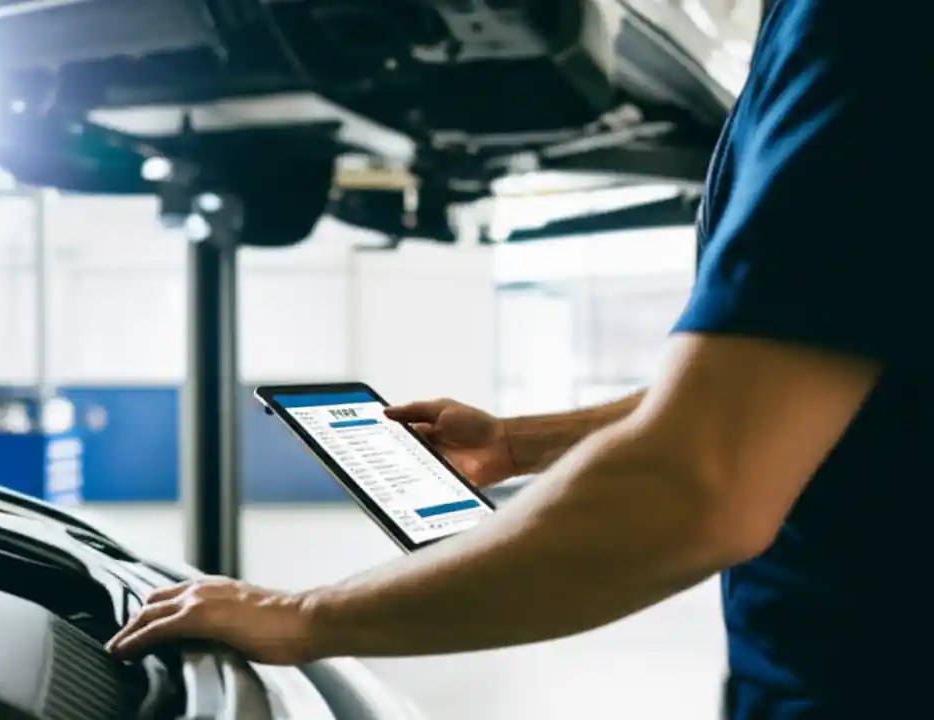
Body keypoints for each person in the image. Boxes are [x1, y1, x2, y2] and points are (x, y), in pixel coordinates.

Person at [109, 1, 929, 716]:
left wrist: (299, 616)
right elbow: (796, 387)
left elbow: (695, 488)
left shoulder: (866, 27)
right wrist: (518, 443)